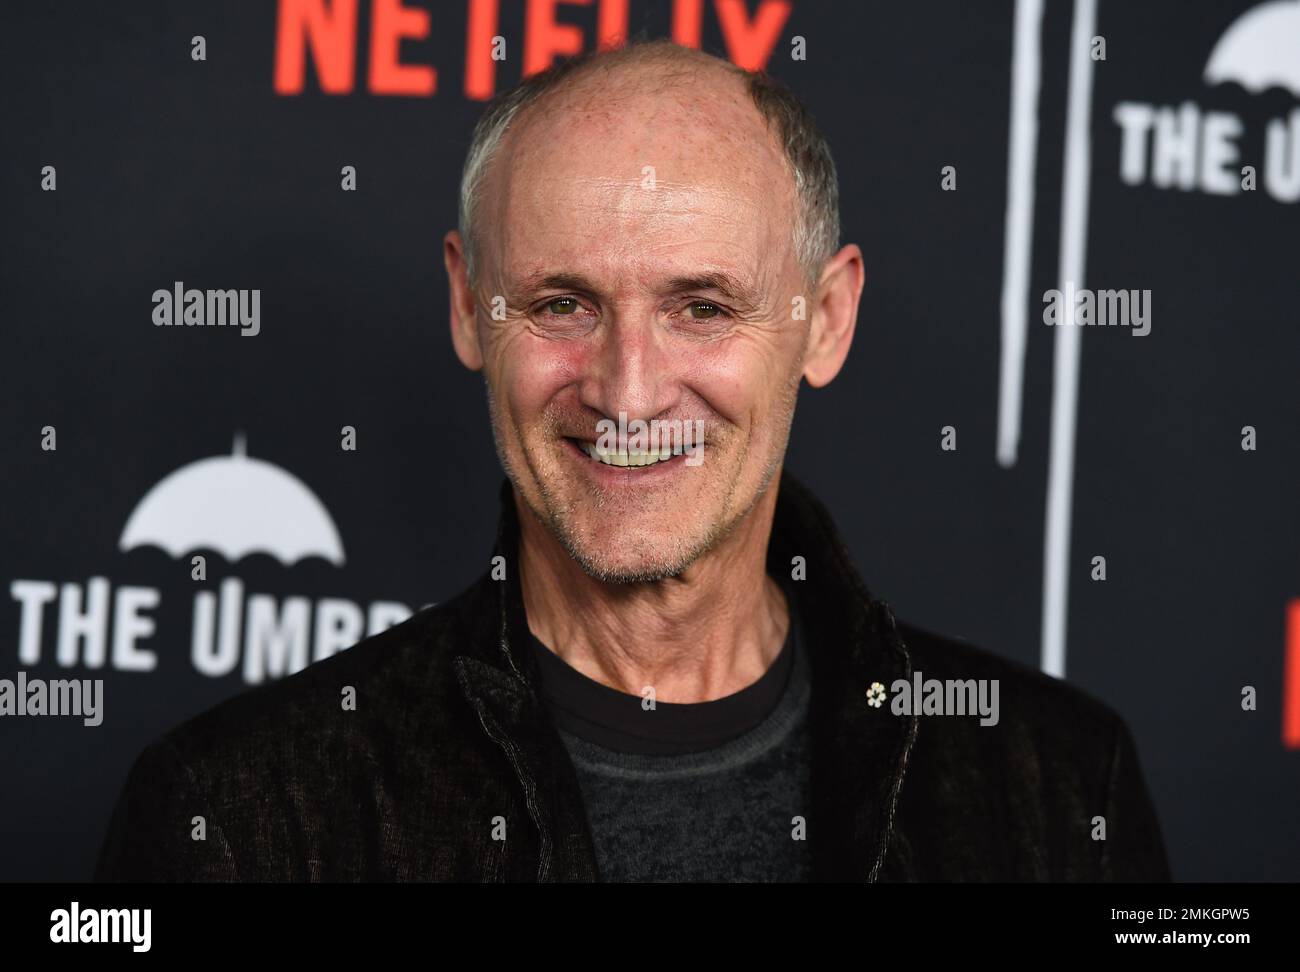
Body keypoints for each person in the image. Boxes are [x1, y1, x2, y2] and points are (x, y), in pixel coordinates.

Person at [95, 38, 1170, 882]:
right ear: (470, 305)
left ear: (827, 319)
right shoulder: (240, 815)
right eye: (562, 304)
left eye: (702, 308)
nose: (628, 388)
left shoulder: (1058, 787)